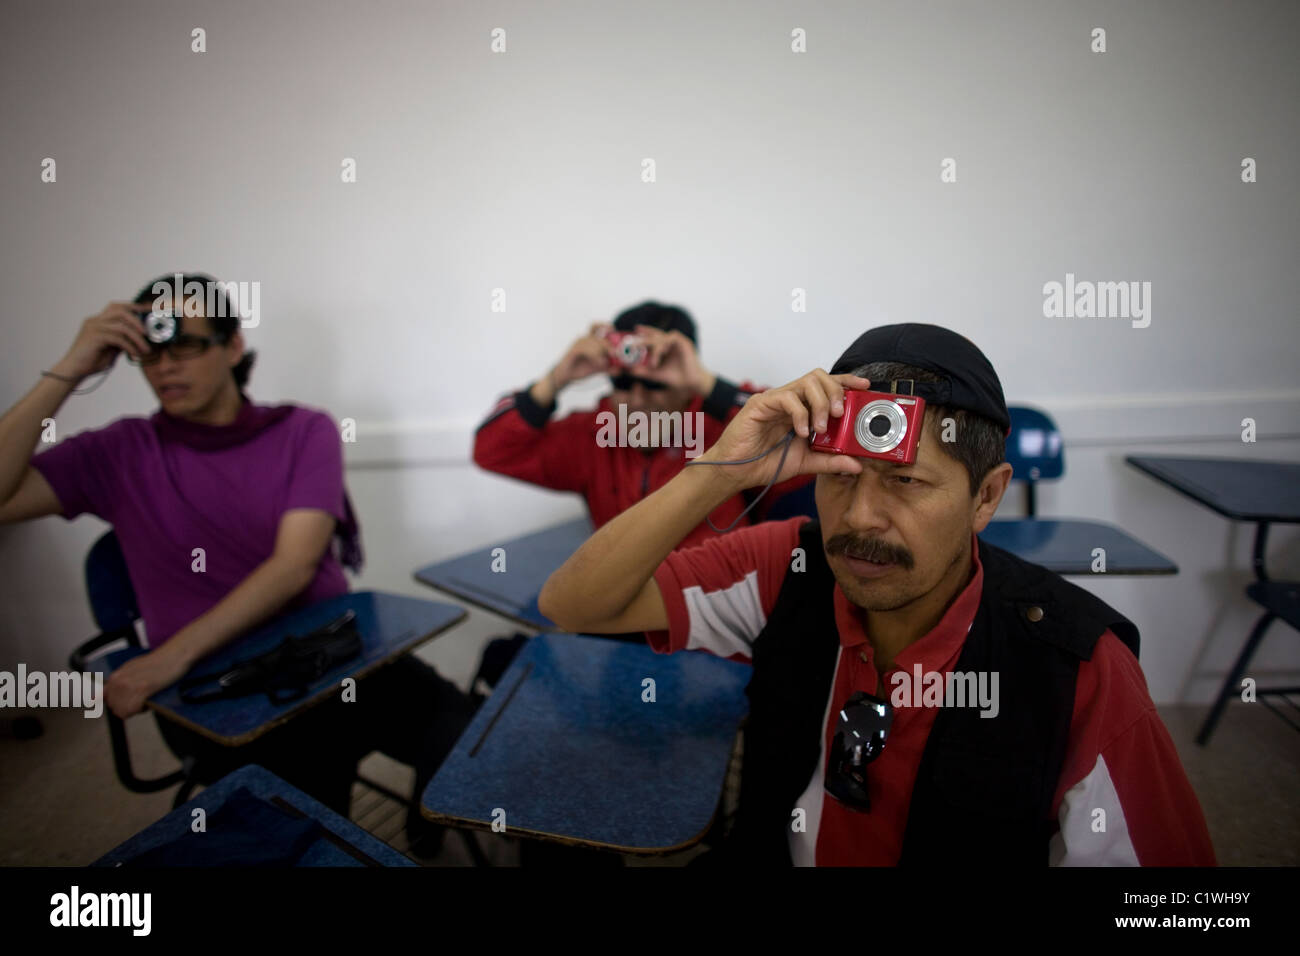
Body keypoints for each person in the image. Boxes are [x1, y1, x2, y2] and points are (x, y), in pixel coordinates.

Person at [538, 322, 1216, 866]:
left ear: (986, 496)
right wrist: (720, 470)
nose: (860, 517)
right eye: (840, 476)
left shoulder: (1077, 668)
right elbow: (573, 606)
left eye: (905, 483)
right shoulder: (788, 569)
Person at [0, 273, 477, 853]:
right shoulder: (118, 451)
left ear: (232, 346)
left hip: (331, 654)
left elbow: (294, 566)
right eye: (148, 354)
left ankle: (424, 829)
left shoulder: (304, 430)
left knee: (466, 737)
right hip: (222, 688)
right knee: (312, 817)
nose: (165, 368)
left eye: (186, 347)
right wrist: (71, 368)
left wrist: (162, 659)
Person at [473, 301, 812, 548]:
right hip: (619, 605)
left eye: (654, 385)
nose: (635, 401)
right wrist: (557, 377)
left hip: (716, 611)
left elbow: (807, 449)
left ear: (687, 380)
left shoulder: (726, 427)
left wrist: (708, 385)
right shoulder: (594, 433)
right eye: (621, 384)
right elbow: (492, 451)